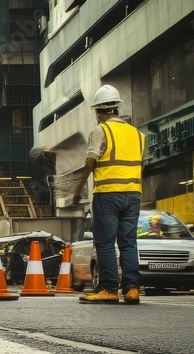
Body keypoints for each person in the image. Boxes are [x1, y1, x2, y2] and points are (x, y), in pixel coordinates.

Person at [71, 85, 146, 305]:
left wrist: (78, 189)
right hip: (133, 194)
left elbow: (90, 162)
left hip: (107, 194)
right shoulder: (137, 134)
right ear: (117, 108)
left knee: (104, 243)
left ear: (99, 111)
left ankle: (109, 289)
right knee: (129, 243)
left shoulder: (101, 130)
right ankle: (132, 290)